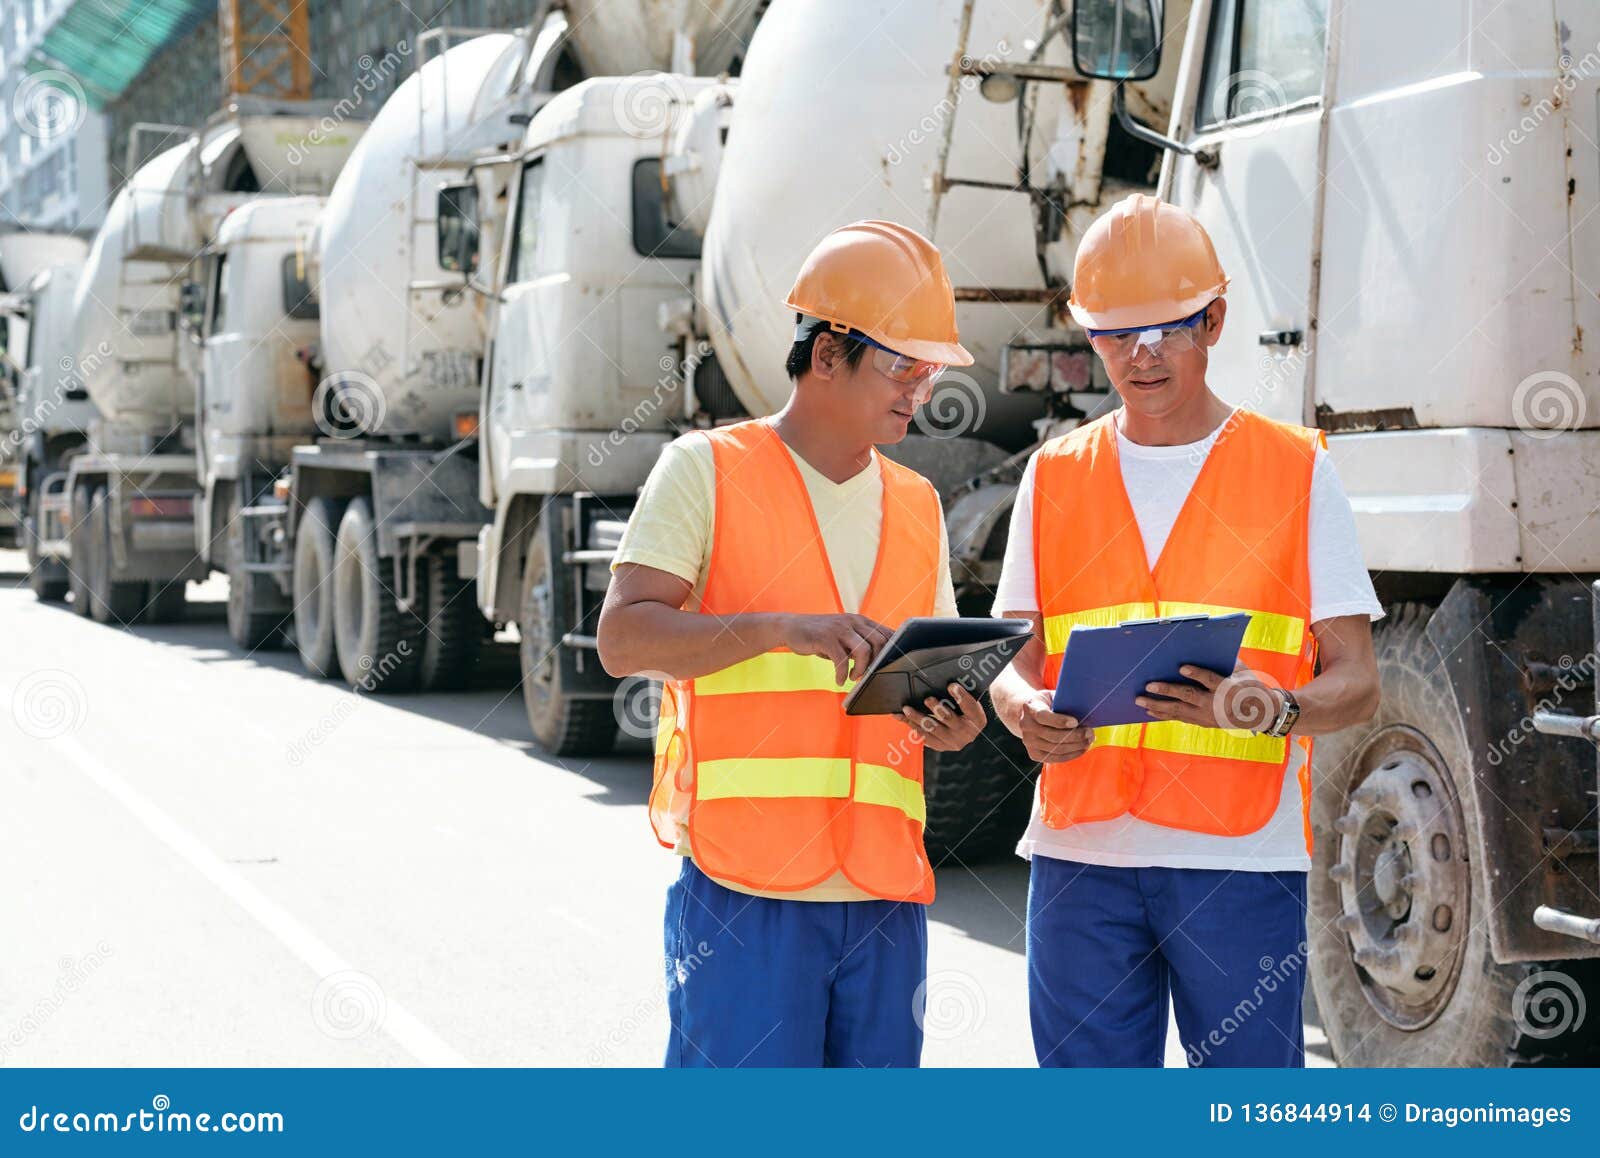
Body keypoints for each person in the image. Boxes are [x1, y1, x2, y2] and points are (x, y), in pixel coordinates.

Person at [988, 194, 1382, 1068]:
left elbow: (1358, 680)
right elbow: (1009, 660)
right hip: (1080, 855)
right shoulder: (1054, 475)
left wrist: (1273, 708)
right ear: (1090, 336)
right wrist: (1022, 712)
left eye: (1167, 328)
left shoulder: (1296, 471)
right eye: (1115, 333)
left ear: (1213, 321)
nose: (1142, 354)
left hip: (1239, 861)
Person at [597, 220, 988, 1068]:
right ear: (828, 355)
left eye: (930, 373)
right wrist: (779, 628)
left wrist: (952, 722)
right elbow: (623, 639)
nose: (919, 391)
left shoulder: (918, 503)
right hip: (747, 893)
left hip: (884, 895)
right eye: (902, 367)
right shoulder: (705, 469)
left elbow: (924, 680)